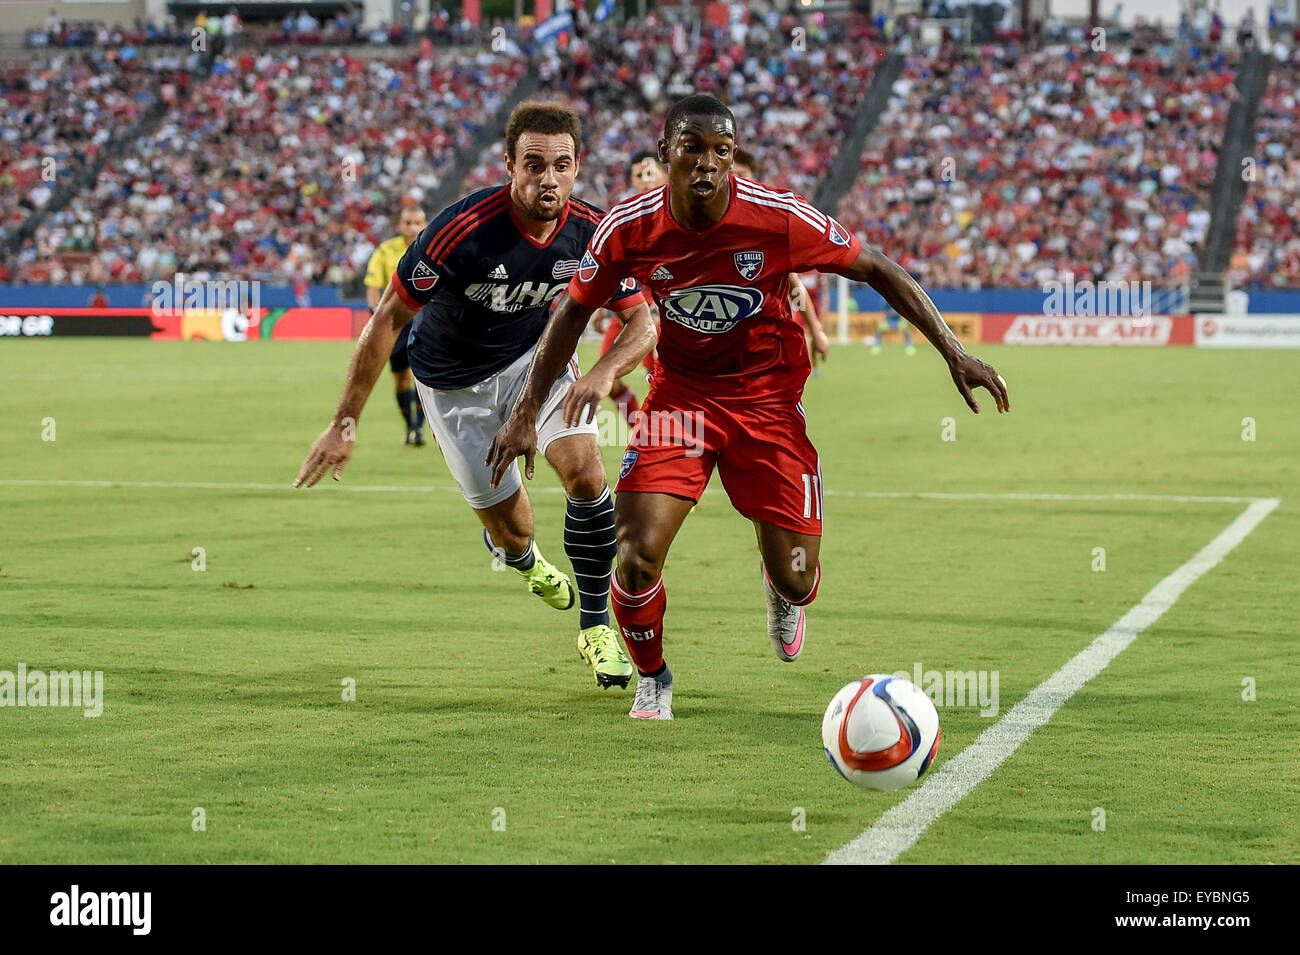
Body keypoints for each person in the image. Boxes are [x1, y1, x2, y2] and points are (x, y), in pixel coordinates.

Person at [486, 94, 1009, 720]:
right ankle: (653, 678)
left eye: (722, 152)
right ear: (665, 154)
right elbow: (571, 313)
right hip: (679, 400)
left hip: (767, 404)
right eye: (693, 149)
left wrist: (953, 351)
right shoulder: (626, 229)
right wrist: (524, 415)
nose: (708, 164)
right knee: (635, 555)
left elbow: (877, 268)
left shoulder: (780, 219)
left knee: (796, 576)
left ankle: (780, 590)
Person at [295, 103, 655, 690]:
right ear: (509, 164)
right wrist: (344, 422)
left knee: (587, 474)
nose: (548, 179)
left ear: (577, 167)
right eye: (533, 165)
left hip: (537, 365)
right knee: (514, 530)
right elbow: (388, 320)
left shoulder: (591, 231)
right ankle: (521, 559)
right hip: (452, 382)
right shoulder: (462, 229)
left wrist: (602, 372)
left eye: (561, 166)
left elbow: (643, 322)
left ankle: (596, 626)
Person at [731, 148, 831, 370]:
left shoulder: (769, 230)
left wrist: (815, 330)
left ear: (753, 181)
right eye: (730, 174)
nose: (735, 181)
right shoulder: (703, 228)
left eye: (741, 174)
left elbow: (794, 286)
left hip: (766, 352)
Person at [593, 150, 665, 422]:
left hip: (664, 309)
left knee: (664, 383)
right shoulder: (624, 216)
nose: (646, 180)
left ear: (665, 174)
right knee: (607, 377)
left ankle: (676, 445)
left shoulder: (679, 212)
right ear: (631, 181)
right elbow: (611, 264)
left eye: (651, 173)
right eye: (640, 175)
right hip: (630, 306)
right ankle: (641, 430)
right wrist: (601, 303)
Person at [364, 198, 430, 445]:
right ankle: (410, 426)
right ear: (400, 224)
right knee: (401, 378)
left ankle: (420, 429)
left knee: (424, 379)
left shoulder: (435, 248)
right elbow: (373, 286)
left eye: (417, 223)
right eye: (408, 223)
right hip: (398, 324)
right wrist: (375, 315)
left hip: (427, 323)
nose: (412, 227)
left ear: (425, 224)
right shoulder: (385, 251)